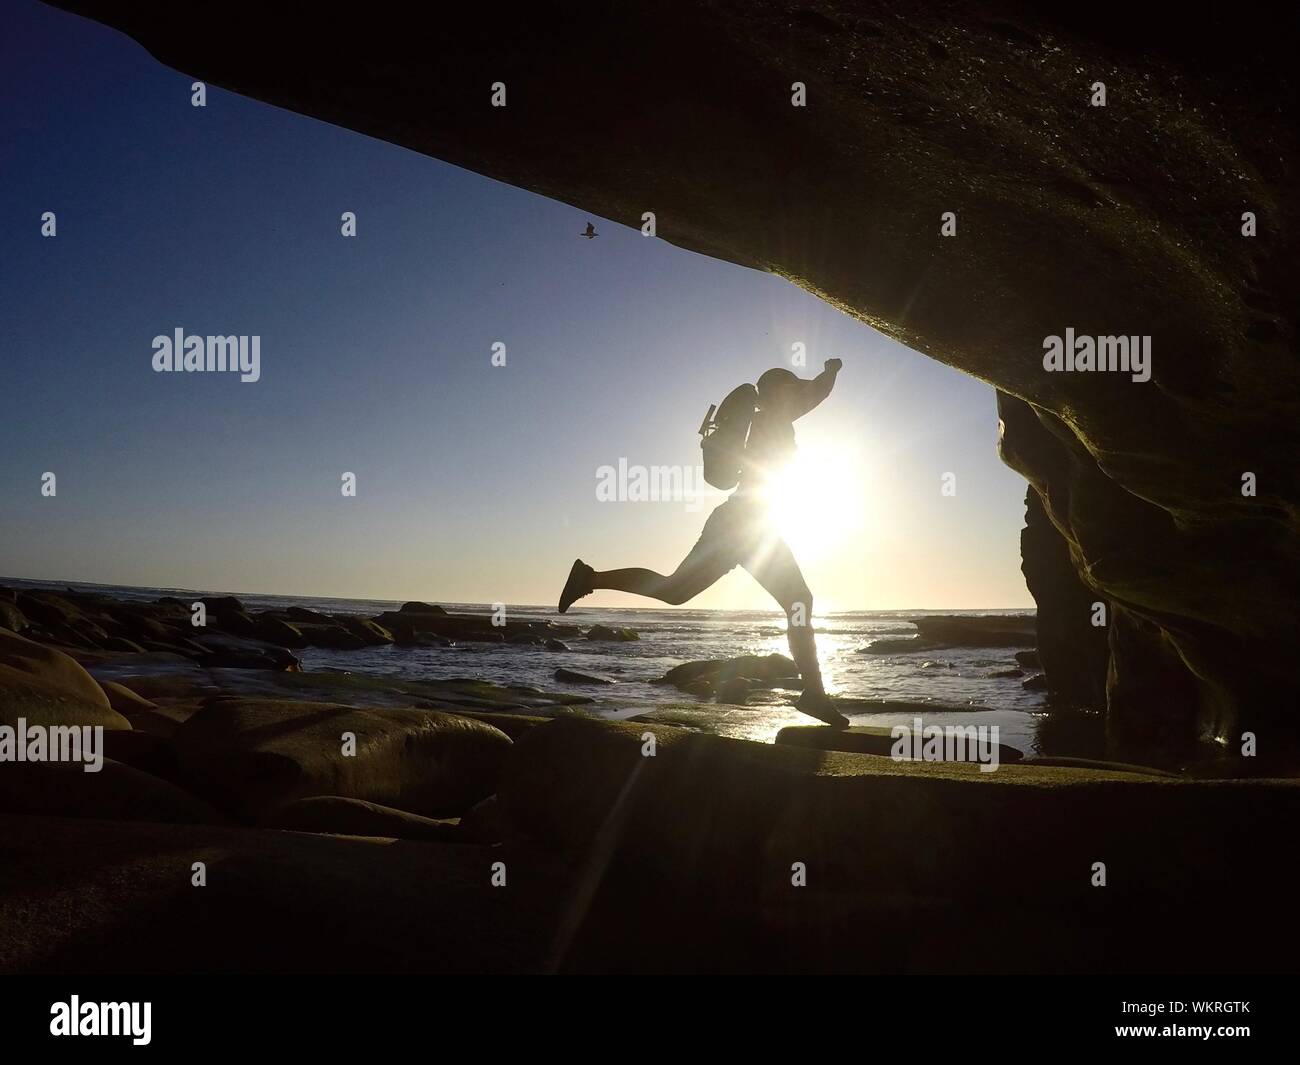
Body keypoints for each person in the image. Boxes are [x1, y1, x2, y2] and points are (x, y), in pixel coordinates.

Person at [558, 359, 848, 727]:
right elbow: (729, 470)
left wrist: (831, 372)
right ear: (779, 392)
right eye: (792, 388)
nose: (800, 394)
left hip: (748, 524)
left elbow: (816, 393)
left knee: (675, 590)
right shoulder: (765, 420)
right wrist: (828, 375)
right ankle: (814, 695)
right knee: (798, 600)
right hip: (744, 525)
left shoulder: (777, 416)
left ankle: (590, 578)